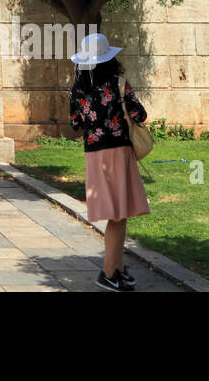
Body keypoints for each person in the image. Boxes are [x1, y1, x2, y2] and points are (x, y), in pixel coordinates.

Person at [68, 33, 150, 292]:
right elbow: (140, 113)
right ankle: (108, 272)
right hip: (117, 152)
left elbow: (76, 124)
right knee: (119, 213)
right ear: (108, 58)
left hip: (94, 153)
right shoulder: (118, 84)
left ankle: (118, 268)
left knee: (119, 214)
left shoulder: (77, 89)